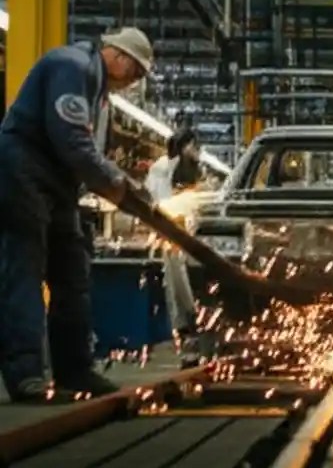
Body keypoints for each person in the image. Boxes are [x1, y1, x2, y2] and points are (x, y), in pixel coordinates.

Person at [0, 28, 155, 402]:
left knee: (73, 272)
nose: (134, 81)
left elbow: (82, 149)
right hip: (23, 173)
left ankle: (75, 370)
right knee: (25, 272)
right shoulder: (72, 67)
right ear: (118, 55)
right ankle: (25, 375)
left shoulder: (96, 89)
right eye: (135, 72)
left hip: (58, 184)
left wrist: (116, 183)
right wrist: (116, 184)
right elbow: (71, 140)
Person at [145, 127, 203, 368]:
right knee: (178, 292)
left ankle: (194, 333)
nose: (197, 151)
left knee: (190, 289)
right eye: (193, 146)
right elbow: (155, 198)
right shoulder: (163, 168)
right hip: (172, 238)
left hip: (189, 237)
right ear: (184, 145)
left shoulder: (194, 169)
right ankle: (186, 337)